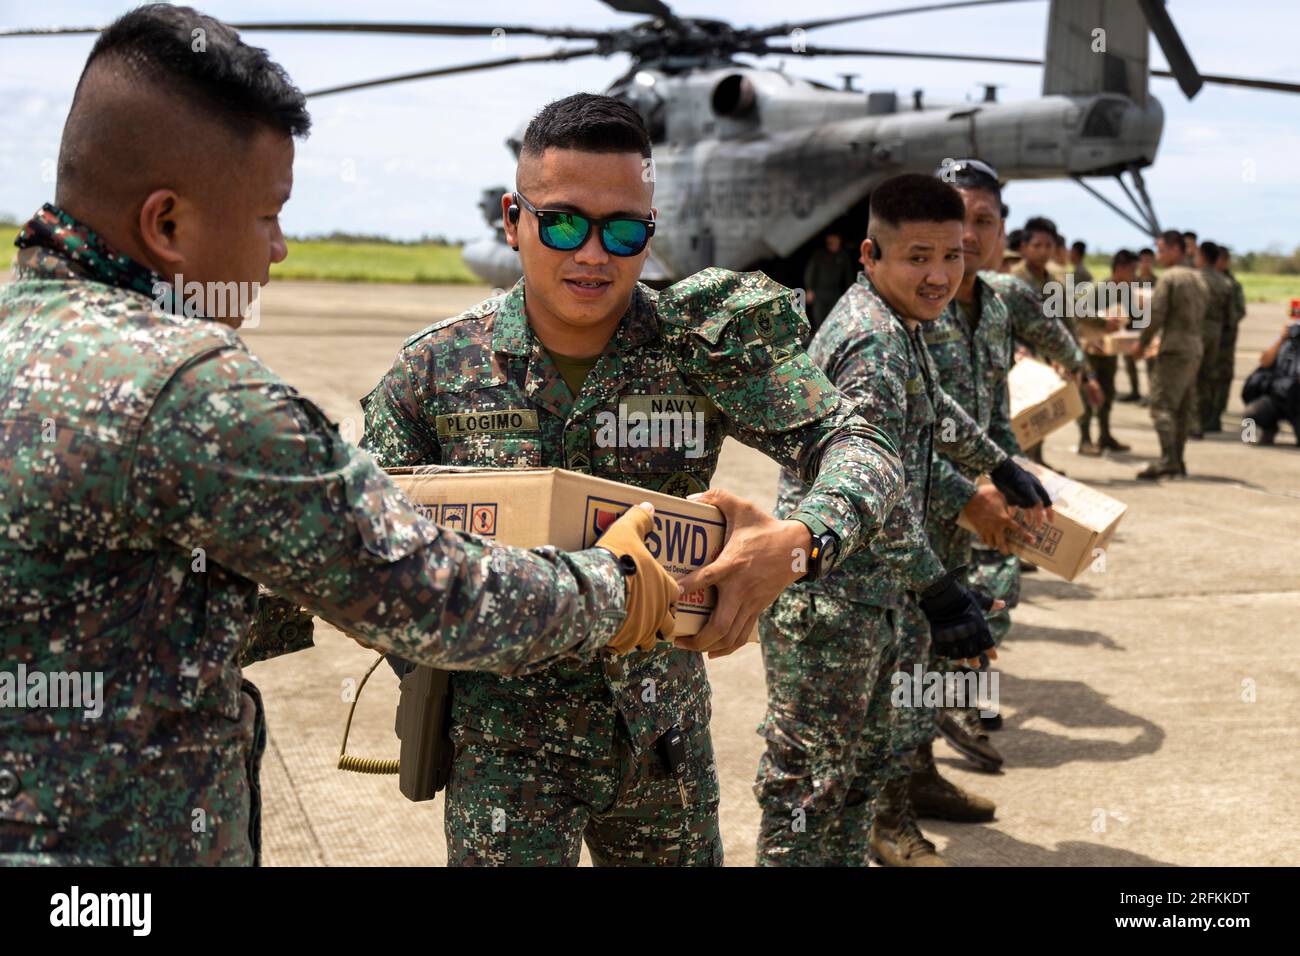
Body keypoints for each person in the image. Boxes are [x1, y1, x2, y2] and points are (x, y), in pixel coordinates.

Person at [0, 6, 682, 866]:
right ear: (167, 225)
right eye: (266, 215)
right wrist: (616, 584)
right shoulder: (196, 394)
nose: (279, 249)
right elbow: (436, 596)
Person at [361, 93, 905, 867]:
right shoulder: (435, 369)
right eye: (561, 223)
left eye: (622, 231)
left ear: (650, 233)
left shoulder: (699, 347)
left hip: (663, 747)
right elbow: (359, 548)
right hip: (503, 757)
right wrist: (441, 653)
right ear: (513, 220)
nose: (592, 254)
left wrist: (798, 544)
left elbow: (860, 442)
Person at [754, 173, 1051, 867]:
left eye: (951, 256)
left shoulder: (901, 325)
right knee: (810, 790)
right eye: (917, 257)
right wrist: (940, 590)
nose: (939, 275)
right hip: (831, 604)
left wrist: (999, 463)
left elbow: (932, 408)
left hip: (872, 597)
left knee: (858, 778)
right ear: (871, 255)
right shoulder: (872, 344)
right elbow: (874, 491)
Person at [917, 159, 1023, 786]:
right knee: (909, 647)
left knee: (984, 608)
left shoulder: (997, 310)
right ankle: (910, 777)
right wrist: (973, 491)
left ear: (1001, 230)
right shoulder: (917, 308)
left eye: (984, 220)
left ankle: (927, 759)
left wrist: (1016, 478)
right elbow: (897, 437)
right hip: (912, 506)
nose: (971, 235)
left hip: (973, 509)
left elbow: (996, 413)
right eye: (959, 219)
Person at [1136, 230, 1210, 480]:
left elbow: (1155, 315)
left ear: (1176, 250)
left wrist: (1141, 343)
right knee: (1183, 407)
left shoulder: (1169, 278)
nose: (1158, 255)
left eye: (1162, 250)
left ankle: (1168, 460)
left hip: (1174, 348)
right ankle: (1177, 459)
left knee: (1162, 405)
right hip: (1194, 347)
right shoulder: (1198, 278)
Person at [1077, 250, 1136, 455]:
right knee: (1088, 395)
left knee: (1107, 393)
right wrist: (1103, 323)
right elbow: (1079, 314)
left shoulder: (1126, 292)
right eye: (1131, 270)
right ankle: (1084, 439)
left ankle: (1104, 436)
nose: (1134, 274)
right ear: (1120, 269)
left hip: (1109, 352)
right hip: (1091, 351)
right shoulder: (1100, 290)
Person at [1192, 241, 1234, 438]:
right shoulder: (1225, 283)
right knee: (1207, 378)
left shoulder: (1194, 280)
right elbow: (1231, 316)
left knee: (1192, 377)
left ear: (1201, 256)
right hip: (1215, 334)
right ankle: (1206, 418)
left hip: (1196, 331)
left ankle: (1193, 422)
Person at [1242, 306, 1300, 446]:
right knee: (1250, 414)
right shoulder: (1286, 339)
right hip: (1280, 395)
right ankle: (1262, 433)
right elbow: (1265, 361)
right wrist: (1281, 339)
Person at [1208, 246, 1249, 431]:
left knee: (1222, 377)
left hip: (1225, 339)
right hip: (1209, 338)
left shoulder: (1231, 284)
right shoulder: (1204, 280)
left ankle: (1215, 416)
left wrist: (1224, 323)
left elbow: (1239, 311)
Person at [1120, 247, 1158, 402]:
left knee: (1151, 362)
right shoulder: (1131, 281)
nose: (1145, 264)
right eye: (1142, 260)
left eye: (1148, 260)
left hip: (1148, 326)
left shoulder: (1158, 282)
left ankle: (1152, 394)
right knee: (1129, 360)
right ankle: (1134, 390)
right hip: (1131, 325)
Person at [804, 231, 858, 330]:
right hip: (819, 291)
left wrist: (850, 291)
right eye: (831, 243)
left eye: (836, 242)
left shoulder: (843, 256)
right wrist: (809, 289)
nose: (834, 245)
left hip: (834, 291)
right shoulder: (819, 255)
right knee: (819, 319)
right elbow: (810, 272)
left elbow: (848, 275)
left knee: (834, 318)